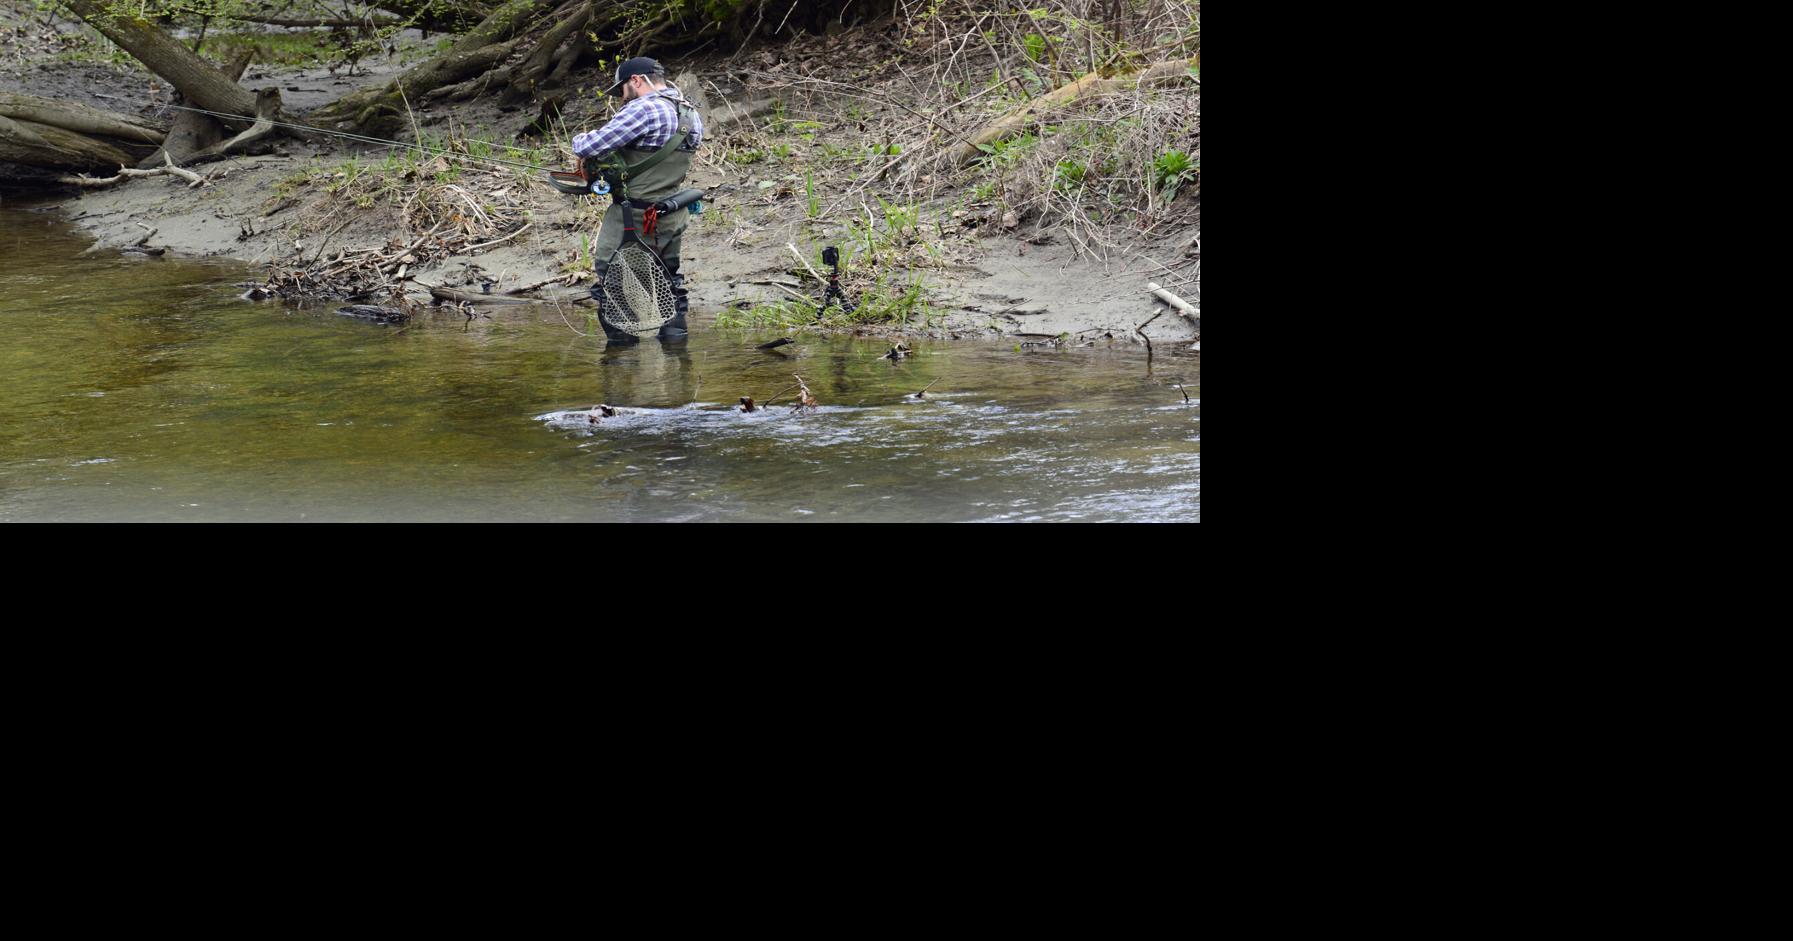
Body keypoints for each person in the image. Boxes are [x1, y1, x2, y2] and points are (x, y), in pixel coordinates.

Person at [573, 57, 705, 343]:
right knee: (668, 278)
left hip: (633, 216)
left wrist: (578, 139)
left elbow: (590, 145)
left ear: (636, 80)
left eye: (622, 88)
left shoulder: (644, 108)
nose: (622, 96)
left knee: (612, 276)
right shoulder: (690, 112)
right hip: (672, 213)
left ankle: (623, 354)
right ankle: (676, 348)